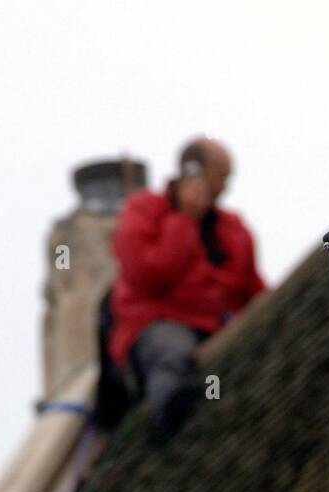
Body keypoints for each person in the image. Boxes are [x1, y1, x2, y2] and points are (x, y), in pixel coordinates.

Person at [95, 137, 266, 444]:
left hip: (218, 328)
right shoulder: (144, 210)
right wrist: (185, 220)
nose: (224, 187)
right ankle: (167, 425)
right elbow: (149, 274)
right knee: (172, 354)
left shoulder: (232, 230)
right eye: (220, 177)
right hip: (159, 324)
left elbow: (253, 291)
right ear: (194, 172)